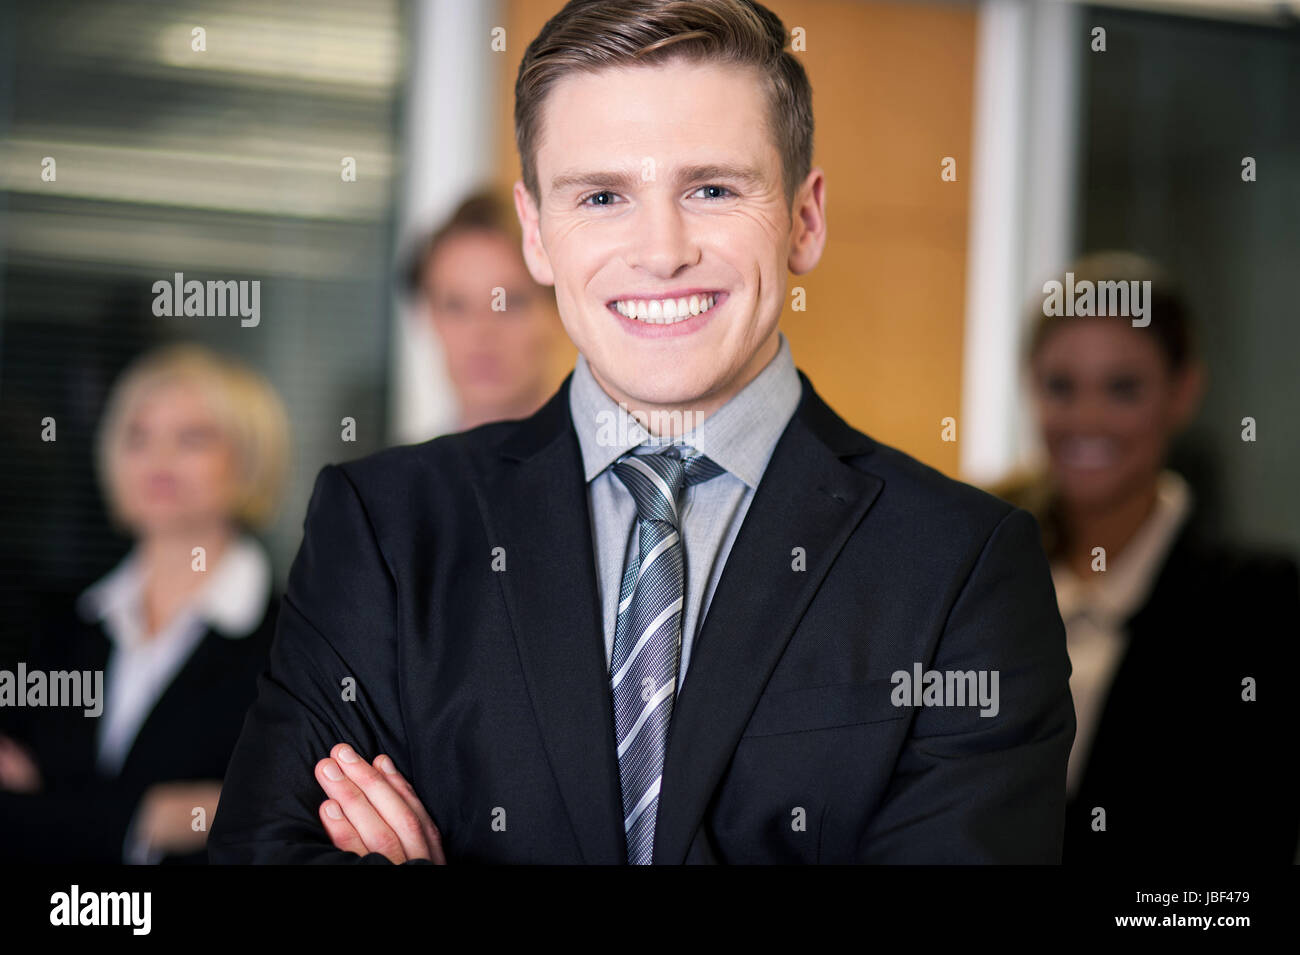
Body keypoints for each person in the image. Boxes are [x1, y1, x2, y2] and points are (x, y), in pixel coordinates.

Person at [209, 0, 1075, 865]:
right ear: (537, 235)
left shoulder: (961, 565)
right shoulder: (386, 529)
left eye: (712, 189)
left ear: (804, 220)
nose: (661, 251)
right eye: (602, 195)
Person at [993, 251, 1300, 863]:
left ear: (1182, 393)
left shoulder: (1261, 607)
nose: (1086, 419)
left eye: (1123, 388)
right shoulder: (981, 569)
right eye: (1061, 386)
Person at [0, 344, 290, 863]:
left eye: (191, 438)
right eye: (138, 436)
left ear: (247, 458)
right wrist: (151, 817)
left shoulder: (294, 639)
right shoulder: (56, 624)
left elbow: (282, 815)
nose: (159, 459)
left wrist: (60, 810)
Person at [402, 190, 562, 432]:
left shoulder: (617, 466)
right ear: (428, 318)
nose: (482, 331)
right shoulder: (402, 469)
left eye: (510, 303)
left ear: (557, 313)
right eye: (456, 306)